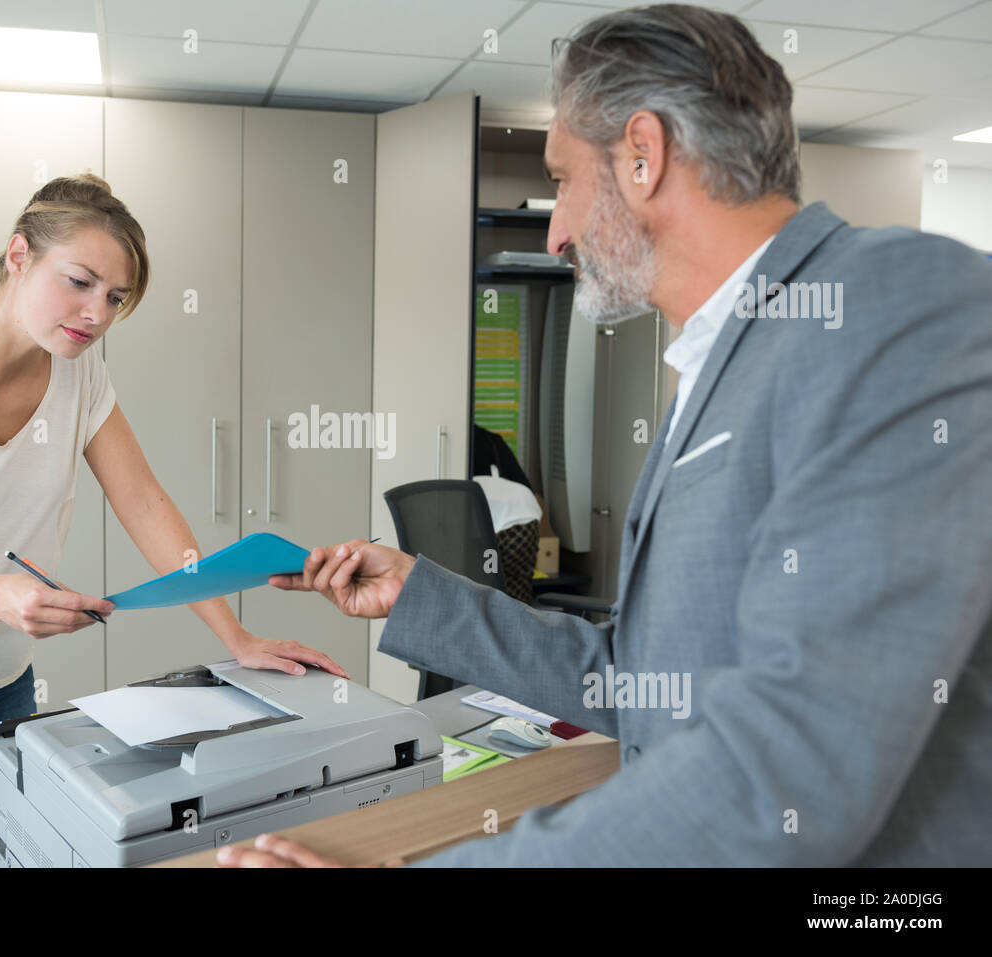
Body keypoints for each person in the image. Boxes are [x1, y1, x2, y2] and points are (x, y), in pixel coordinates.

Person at [217, 4, 992, 867]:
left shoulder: (897, 307)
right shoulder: (718, 359)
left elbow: (793, 765)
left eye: (561, 180)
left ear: (642, 154)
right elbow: (641, 677)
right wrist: (418, 592)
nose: (554, 230)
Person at [0, 173, 346, 867]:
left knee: (3, 858)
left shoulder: (81, 378)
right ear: (19, 255)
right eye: (81, 281)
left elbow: (146, 505)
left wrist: (235, 635)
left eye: (116, 297)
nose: (97, 313)